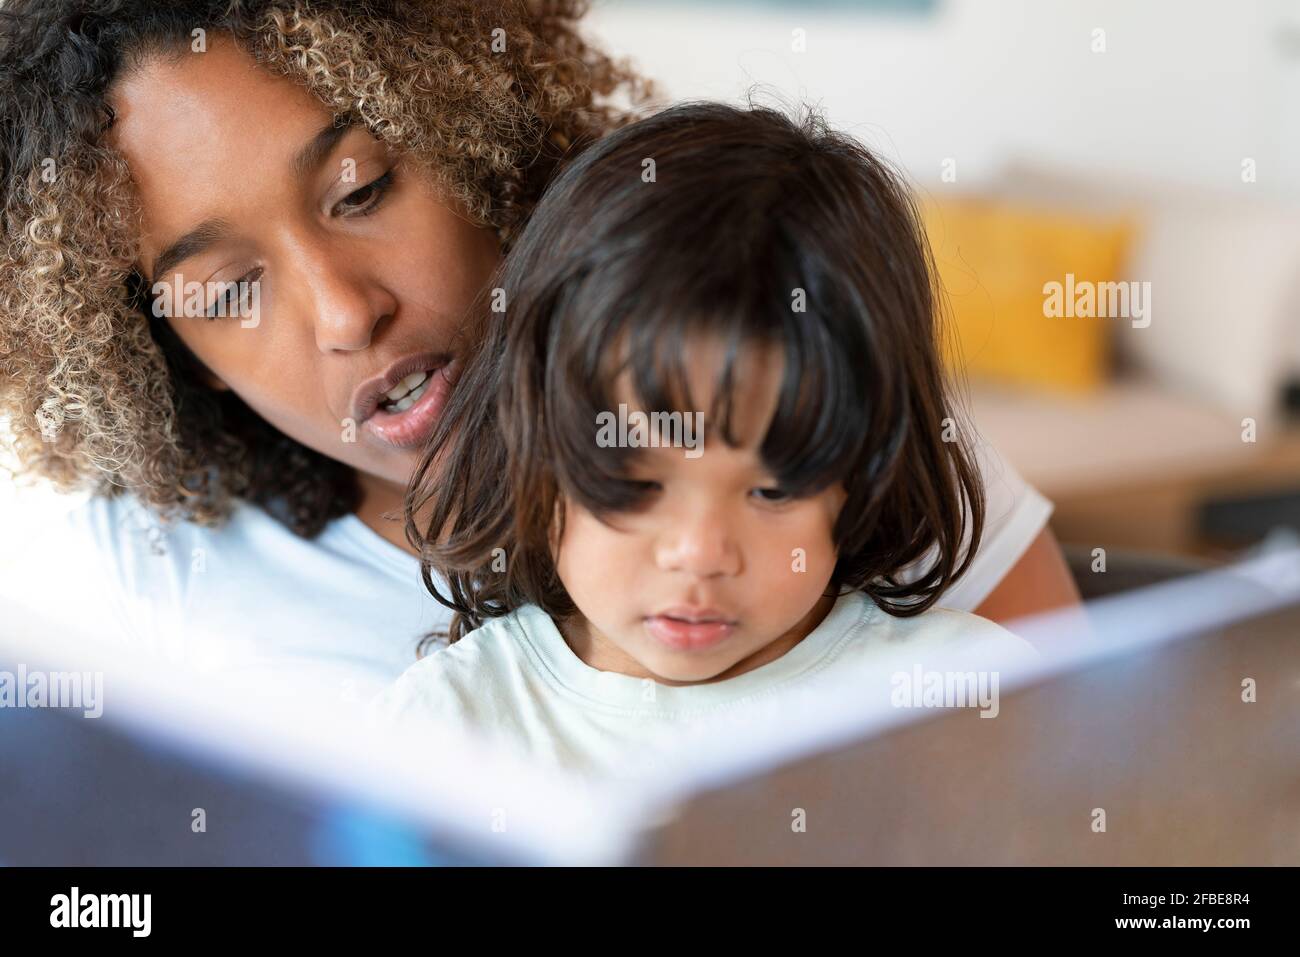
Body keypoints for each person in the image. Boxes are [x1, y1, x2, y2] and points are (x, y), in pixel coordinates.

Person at [0, 1, 1074, 705]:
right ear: (154, 352)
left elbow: (1105, 798)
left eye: (362, 191)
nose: (342, 312)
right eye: (227, 290)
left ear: (481, 129)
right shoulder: (153, 578)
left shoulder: (789, 393)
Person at [368, 102, 1039, 777]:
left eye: (773, 488)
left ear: (861, 478)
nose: (700, 555)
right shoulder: (449, 725)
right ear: (531, 448)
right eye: (635, 483)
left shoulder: (965, 693)